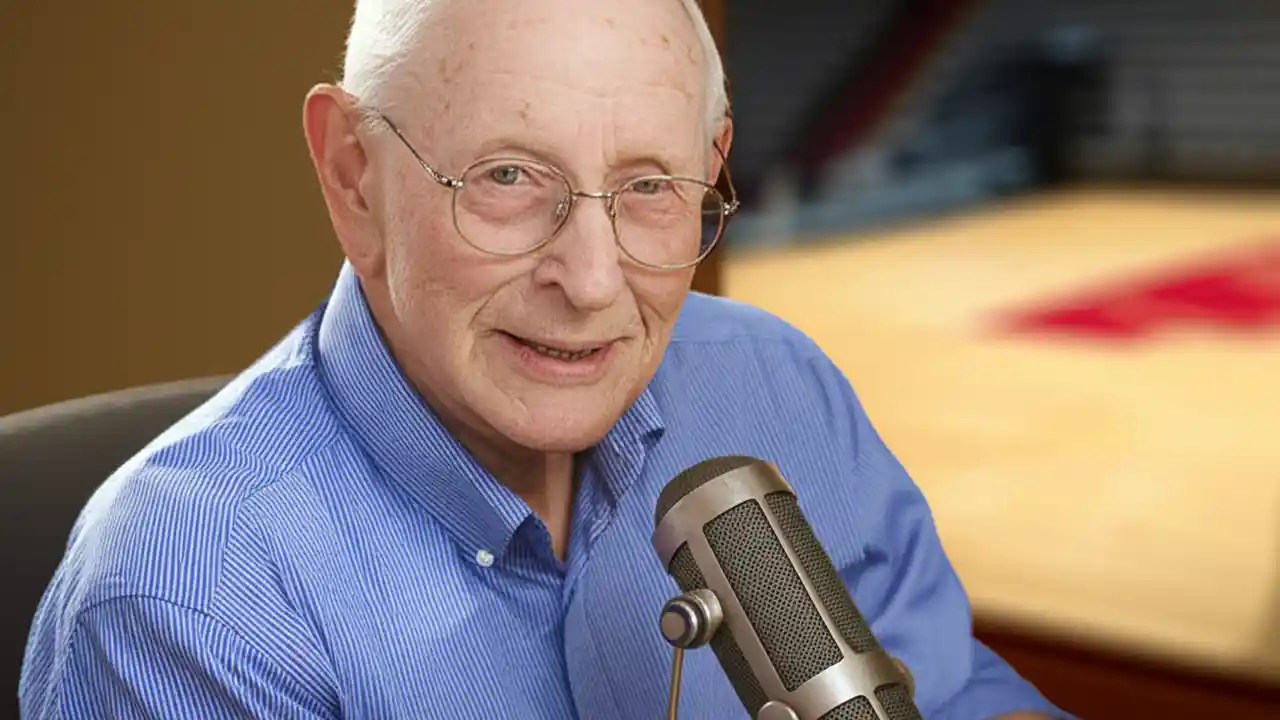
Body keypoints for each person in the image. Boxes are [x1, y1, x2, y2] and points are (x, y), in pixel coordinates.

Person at [20, 0, 1066, 717]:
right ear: (351, 176)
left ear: (709, 171)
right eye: (508, 176)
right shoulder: (187, 605)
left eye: (651, 187)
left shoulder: (775, 384)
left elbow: (957, 690)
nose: (593, 281)